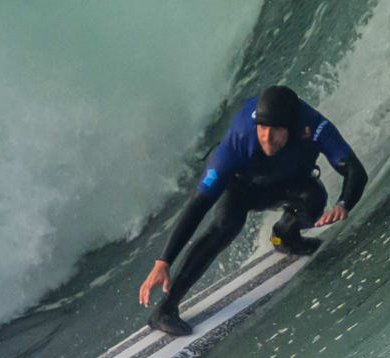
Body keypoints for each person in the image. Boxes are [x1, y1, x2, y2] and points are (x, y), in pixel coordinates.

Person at [136, 84, 364, 335]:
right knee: (225, 227)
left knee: (314, 199)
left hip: (287, 184)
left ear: (292, 126)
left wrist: (343, 204)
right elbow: (199, 204)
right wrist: (163, 260)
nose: (267, 137)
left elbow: (354, 169)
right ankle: (165, 310)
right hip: (242, 188)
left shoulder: (314, 126)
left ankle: (285, 237)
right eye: (263, 128)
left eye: (275, 130)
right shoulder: (238, 140)